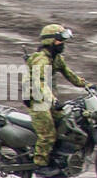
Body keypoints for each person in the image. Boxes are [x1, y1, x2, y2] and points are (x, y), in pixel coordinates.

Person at [24, 24, 92, 167]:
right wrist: (53, 100)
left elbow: (69, 74)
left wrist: (87, 86)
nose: (63, 44)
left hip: (48, 99)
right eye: (60, 40)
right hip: (37, 101)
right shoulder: (40, 60)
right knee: (48, 135)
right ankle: (40, 164)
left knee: (67, 124)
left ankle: (59, 157)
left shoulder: (56, 58)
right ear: (50, 41)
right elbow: (40, 83)